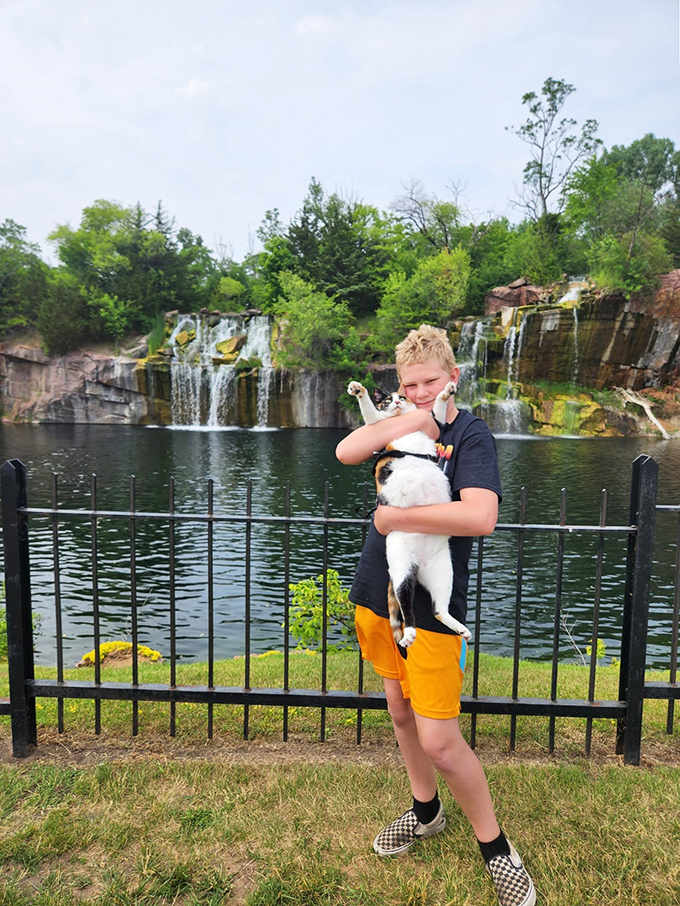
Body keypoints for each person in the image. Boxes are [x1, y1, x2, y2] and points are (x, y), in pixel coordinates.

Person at [336, 324, 536, 906]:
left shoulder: (471, 435)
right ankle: (426, 812)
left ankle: (497, 848)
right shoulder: (405, 418)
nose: (421, 392)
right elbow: (350, 451)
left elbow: (480, 518)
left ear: (453, 376)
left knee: (442, 740)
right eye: (409, 384)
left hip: (429, 610)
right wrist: (408, 421)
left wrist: (391, 520)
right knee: (398, 711)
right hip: (379, 592)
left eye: (430, 382)